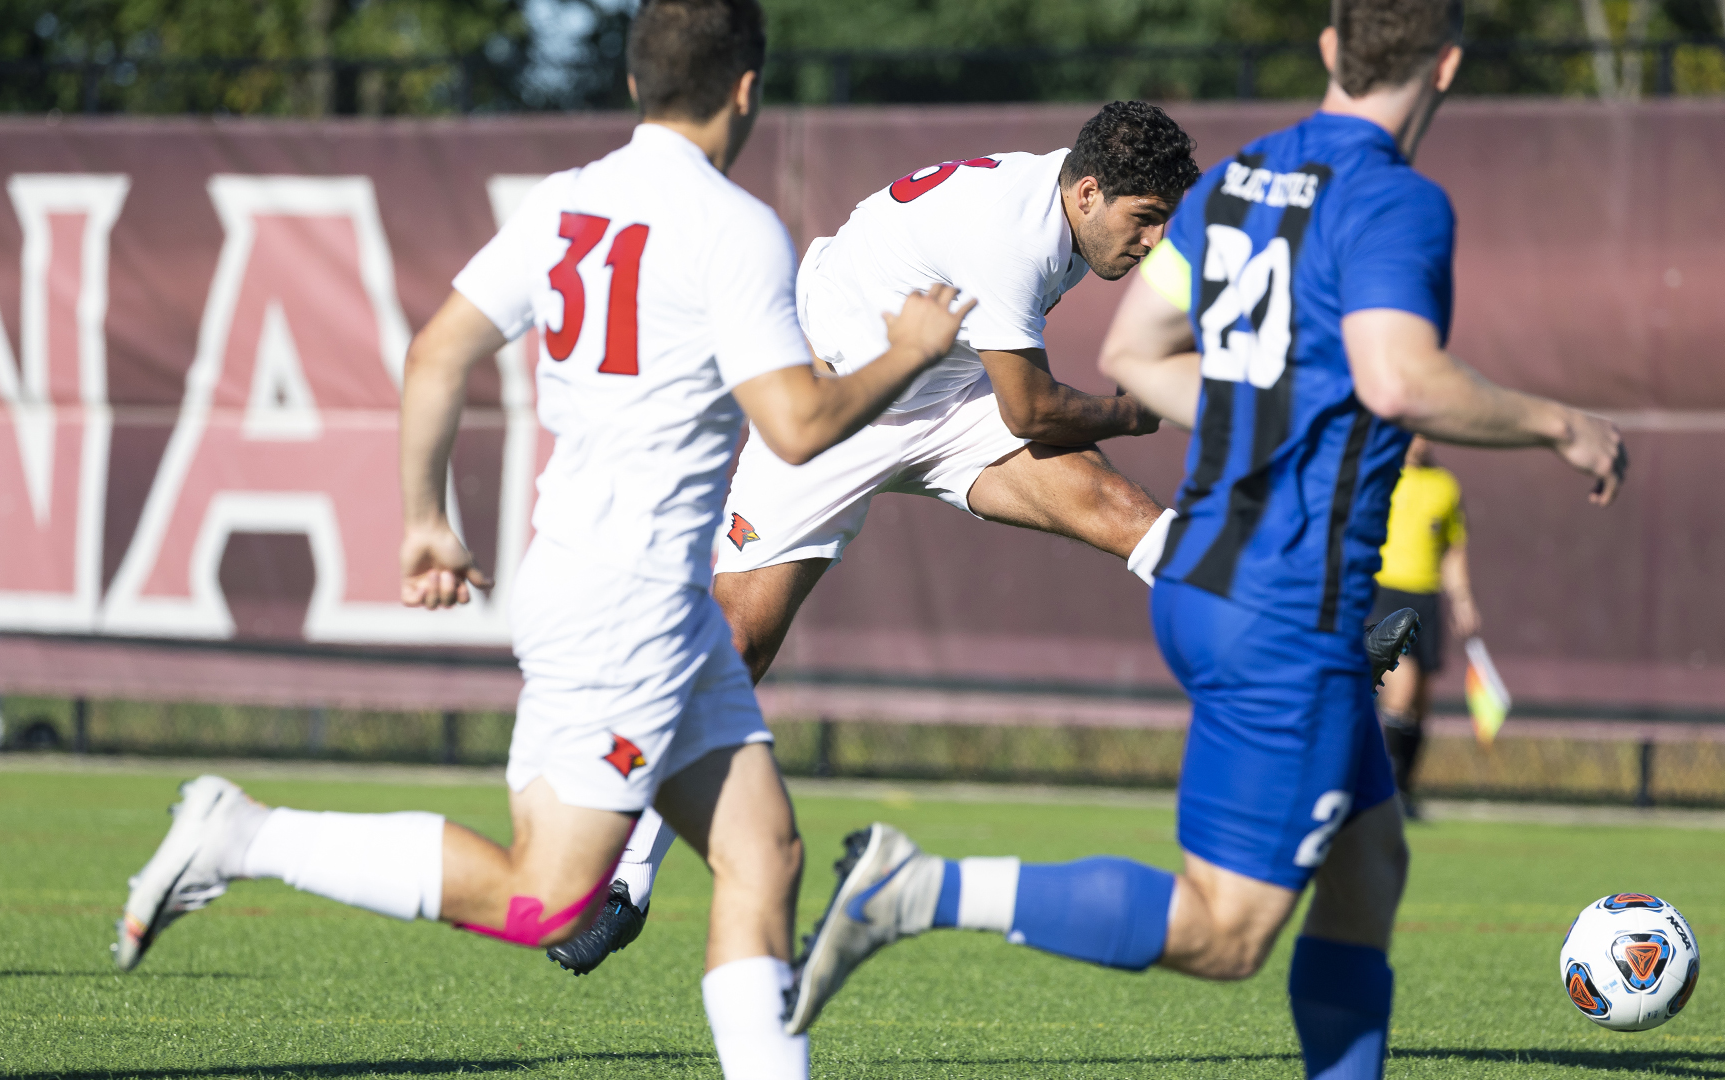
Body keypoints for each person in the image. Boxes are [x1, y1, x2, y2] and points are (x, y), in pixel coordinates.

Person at [110, 2, 979, 1076]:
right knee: (543, 899)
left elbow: (435, 353)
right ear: (747, 88)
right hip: (632, 606)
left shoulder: (567, 204)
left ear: (631, 85)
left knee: (764, 854)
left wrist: (427, 521)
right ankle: (243, 833)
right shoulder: (734, 225)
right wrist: (911, 351)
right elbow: (797, 428)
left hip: (625, 588)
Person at [783, 2, 1628, 1078]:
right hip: (1290, 604)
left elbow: (1136, 355)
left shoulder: (1238, 183)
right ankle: (920, 889)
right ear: (1449, 64)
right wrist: (1564, 424)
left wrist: (1265, 413)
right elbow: (1400, 378)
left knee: (1370, 869)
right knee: (1226, 934)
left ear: (1329, 48)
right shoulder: (1397, 201)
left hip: (1207, 569)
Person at [544, 98, 1207, 975]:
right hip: (830, 403)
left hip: (945, 397)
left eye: (1166, 221)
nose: (1155, 241)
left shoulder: (1073, 199)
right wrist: (1136, 408)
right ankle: (622, 885)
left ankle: (1299, 632)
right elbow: (1035, 410)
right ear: (1087, 192)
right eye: (1147, 220)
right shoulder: (1011, 229)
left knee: (1119, 510)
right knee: (731, 645)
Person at [1368, 434, 1479, 817]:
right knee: (1401, 689)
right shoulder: (1378, 473)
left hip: (1427, 598)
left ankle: (1402, 791)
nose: (1420, 440)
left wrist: (1462, 600)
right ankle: (1381, 790)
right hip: (1385, 592)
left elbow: (1453, 548)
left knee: (1419, 703)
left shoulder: (1444, 486)